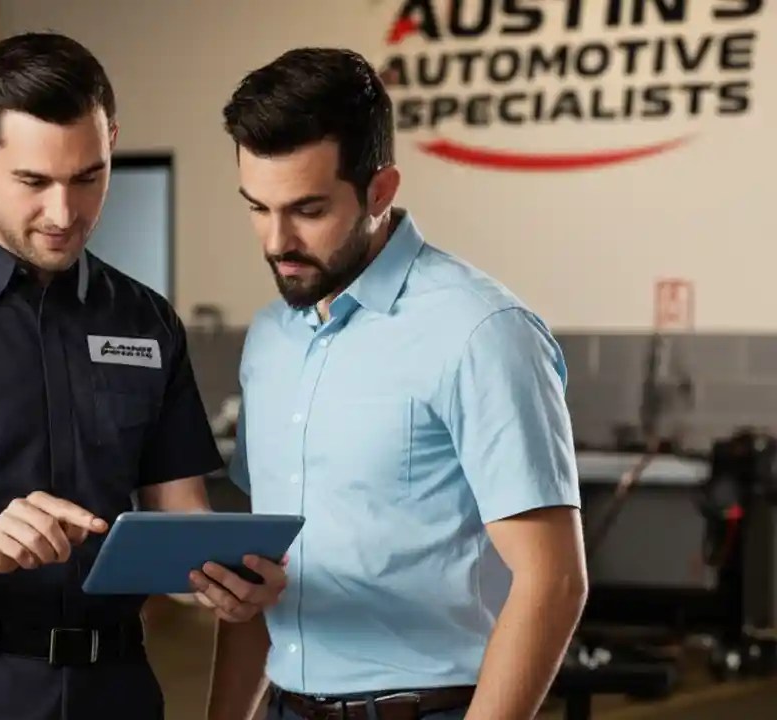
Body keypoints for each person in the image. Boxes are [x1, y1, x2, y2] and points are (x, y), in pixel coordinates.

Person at [0, 32, 287, 720]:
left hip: (118, 691)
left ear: (111, 144)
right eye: (33, 183)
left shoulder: (145, 322)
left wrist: (221, 582)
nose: (64, 214)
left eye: (88, 177)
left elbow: (181, 516)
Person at [206, 48, 588, 720]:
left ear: (380, 191)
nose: (276, 240)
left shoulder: (481, 332)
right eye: (257, 208)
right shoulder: (271, 338)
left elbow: (553, 580)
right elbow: (256, 572)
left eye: (308, 210)